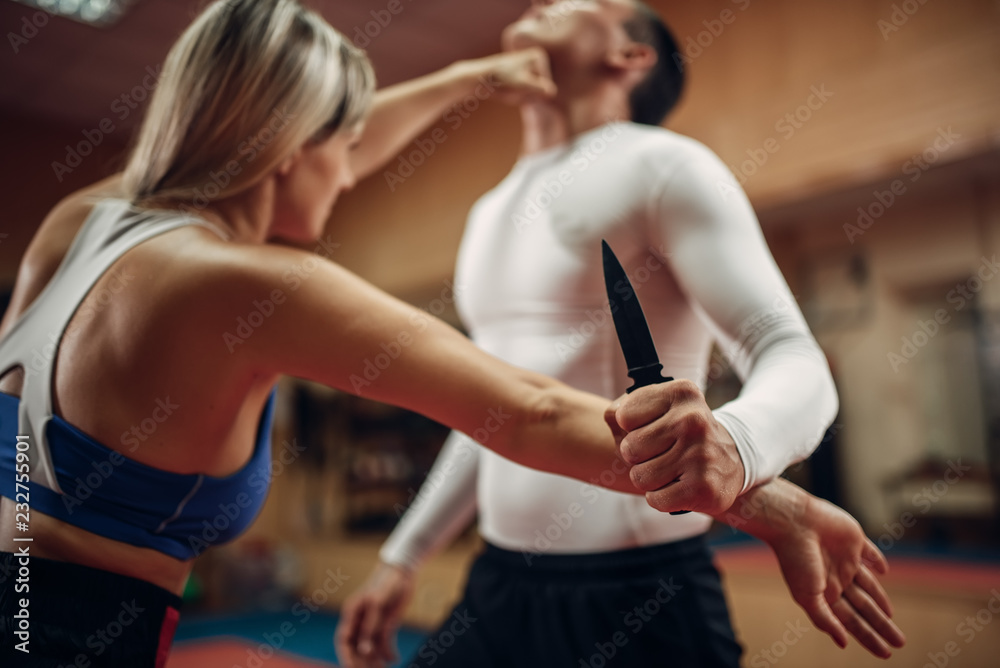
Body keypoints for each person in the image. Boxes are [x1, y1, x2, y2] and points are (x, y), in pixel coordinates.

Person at [0, 1, 733, 665]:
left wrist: (470, 78)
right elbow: (525, 410)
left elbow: (286, 147)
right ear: (291, 146)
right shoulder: (246, 283)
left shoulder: (79, 224)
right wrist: (761, 491)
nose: (351, 172)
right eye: (346, 145)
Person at [336, 1, 907, 667]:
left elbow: (790, 352)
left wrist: (740, 443)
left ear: (631, 56)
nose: (550, 2)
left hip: (642, 595)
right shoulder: (488, 212)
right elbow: (493, 413)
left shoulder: (664, 166)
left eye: (588, 2)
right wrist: (403, 556)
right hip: (498, 584)